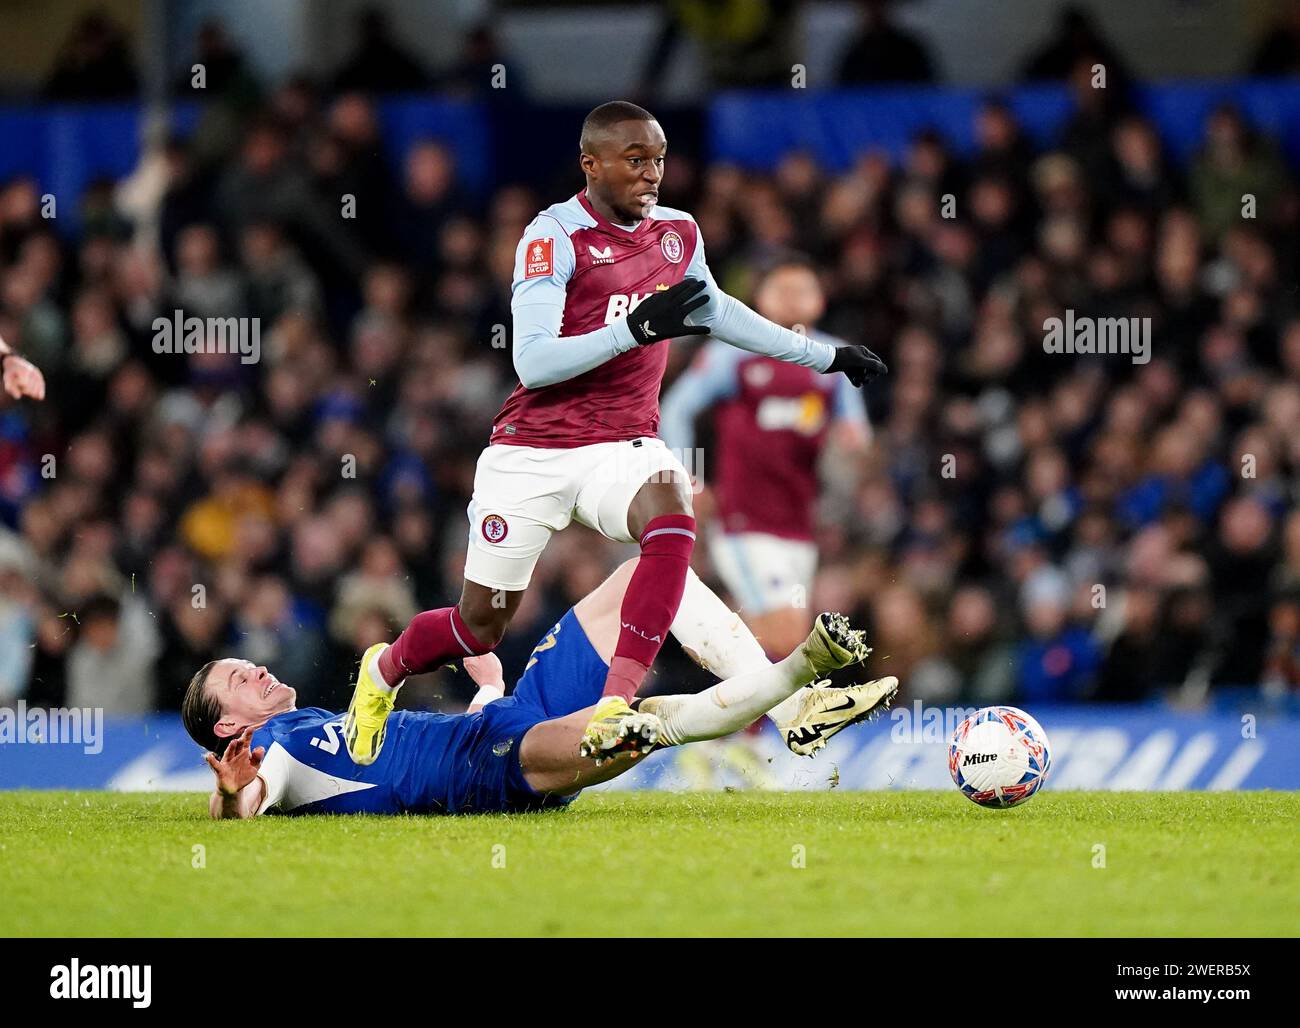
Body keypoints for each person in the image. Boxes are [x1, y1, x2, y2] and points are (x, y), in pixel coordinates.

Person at [350, 100, 888, 766]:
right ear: (591, 164)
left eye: (659, 159)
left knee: (671, 516)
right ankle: (384, 670)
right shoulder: (552, 237)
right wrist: (634, 330)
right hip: (532, 452)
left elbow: (718, 314)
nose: (651, 174)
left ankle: (616, 705)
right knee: (479, 625)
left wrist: (826, 358)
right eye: (635, 160)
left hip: (622, 445)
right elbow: (534, 360)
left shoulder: (677, 234)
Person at [186, 559, 899, 818]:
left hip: (504, 717)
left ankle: (793, 711)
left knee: (646, 578)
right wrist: (228, 792)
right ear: (228, 730)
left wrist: (488, 689)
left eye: (239, 664)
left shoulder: (313, 720)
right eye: (233, 681)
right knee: (636, 718)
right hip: (492, 771)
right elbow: (246, 805)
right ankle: (797, 673)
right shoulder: (272, 749)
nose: (250, 669)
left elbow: (399, 749)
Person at [661, 253, 870, 680]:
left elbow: (858, 434)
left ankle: (739, 740)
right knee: (790, 634)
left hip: (799, 525)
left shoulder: (832, 361)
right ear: (762, 298)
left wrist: (854, 445)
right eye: (783, 290)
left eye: (803, 290)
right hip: (745, 522)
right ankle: (764, 736)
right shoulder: (735, 352)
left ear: (821, 299)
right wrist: (690, 479)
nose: (794, 300)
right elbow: (676, 410)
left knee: (763, 640)